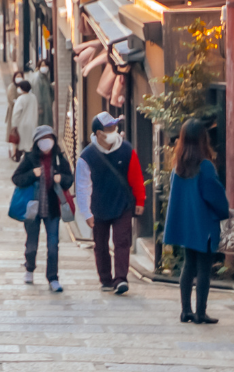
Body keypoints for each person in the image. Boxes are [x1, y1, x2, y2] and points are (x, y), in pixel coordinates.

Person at [163, 118, 230, 324]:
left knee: (188, 266)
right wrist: (224, 211)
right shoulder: (205, 166)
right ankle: (201, 312)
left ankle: (186, 311)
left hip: (186, 225)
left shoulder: (178, 167)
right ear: (202, 139)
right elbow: (215, 195)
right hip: (204, 224)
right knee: (203, 268)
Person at [75, 112, 145, 295]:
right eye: (109, 129)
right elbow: (82, 187)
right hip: (98, 206)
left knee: (122, 241)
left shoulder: (126, 150)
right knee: (101, 244)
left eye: (115, 127)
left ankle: (121, 279)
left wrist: (140, 199)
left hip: (122, 203)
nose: (114, 131)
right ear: (98, 133)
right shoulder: (87, 156)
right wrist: (86, 213)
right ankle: (105, 278)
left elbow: (136, 176)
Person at [12, 125, 72, 292]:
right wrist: (33, 174)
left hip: (52, 209)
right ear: (36, 142)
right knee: (31, 244)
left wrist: (62, 178)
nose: (46, 143)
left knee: (53, 245)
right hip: (33, 208)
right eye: (42, 139)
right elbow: (16, 178)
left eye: (49, 139)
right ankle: (29, 267)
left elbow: (69, 178)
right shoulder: (30, 158)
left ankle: (53, 278)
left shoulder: (59, 158)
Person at [8, 74, 38, 161]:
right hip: (32, 123)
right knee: (29, 143)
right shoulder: (33, 97)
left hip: (22, 125)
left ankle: (18, 157)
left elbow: (16, 114)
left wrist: (14, 125)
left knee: (22, 144)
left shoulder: (20, 99)